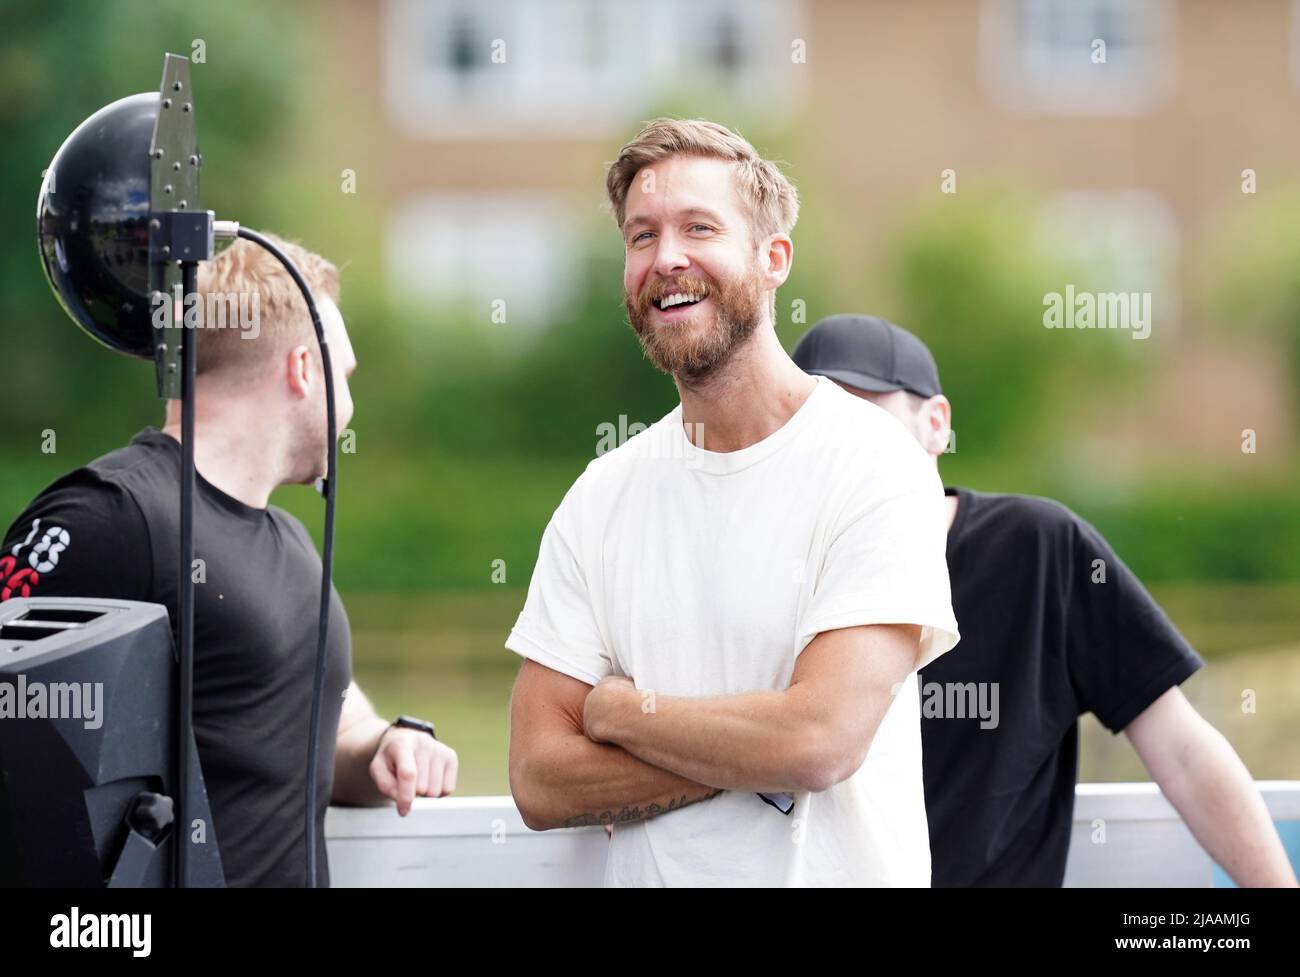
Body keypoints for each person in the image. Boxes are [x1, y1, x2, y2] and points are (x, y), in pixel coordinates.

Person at [505, 119, 960, 887]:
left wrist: (621, 716)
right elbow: (539, 777)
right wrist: (753, 750)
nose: (666, 258)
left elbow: (820, 740)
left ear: (773, 258)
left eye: (699, 227)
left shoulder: (877, 466)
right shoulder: (600, 498)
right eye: (641, 235)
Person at [0, 233, 459, 887]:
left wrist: (387, 744)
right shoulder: (110, 518)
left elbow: (316, 726)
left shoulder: (295, 549)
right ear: (303, 369)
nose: (349, 410)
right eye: (346, 378)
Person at [792, 312, 1299, 888]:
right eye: (817, 426)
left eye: (865, 415)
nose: (842, 443)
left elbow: (1182, 750)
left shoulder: (1039, 550)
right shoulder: (779, 575)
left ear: (936, 423)